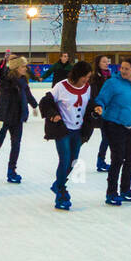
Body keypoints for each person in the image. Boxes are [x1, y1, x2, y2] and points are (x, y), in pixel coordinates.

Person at [93, 57, 131, 205]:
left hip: (130, 126)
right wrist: (99, 107)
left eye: (127, 69)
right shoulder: (112, 83)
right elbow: (101, 99)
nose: (123, 71)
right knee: (118, 158)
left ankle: (126, 189)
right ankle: (111, 193)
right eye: (122, 68)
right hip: (113, 124)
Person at [0, 56, 37, 185]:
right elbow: (3, 101)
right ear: (15, 68)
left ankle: (12, 172)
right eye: (23, 66)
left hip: (17, 118)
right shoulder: (7, 81)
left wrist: (35, 106)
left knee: (16, 145)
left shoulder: (23, 80)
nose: (25, 68)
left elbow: (28, 94)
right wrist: (0, 119)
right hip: (3, 118)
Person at [49, 61, 96, 210]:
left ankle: (58, 184)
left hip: (78, 130)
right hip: (63, 130)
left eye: (88, 77)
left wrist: (96, 108)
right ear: (77, 74)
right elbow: (46, 102)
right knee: (64, 160)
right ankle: (61, 193)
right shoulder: (61, 86)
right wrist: (54, 115)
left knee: (73, 162)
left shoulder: (87, 88)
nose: (86, 80)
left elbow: (89, 104)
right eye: (85, 77)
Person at [88, 55, 114, 171]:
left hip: (110, 112)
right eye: (104, 62)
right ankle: (101, 161)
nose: (107, 63)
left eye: (107, 61)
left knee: (108, 137)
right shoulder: (95, 78)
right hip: (100, 112)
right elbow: (93, 95)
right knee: (106, 137)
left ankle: (101, 161)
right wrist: (97, 107)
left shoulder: (110, 77)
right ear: (98, 63)